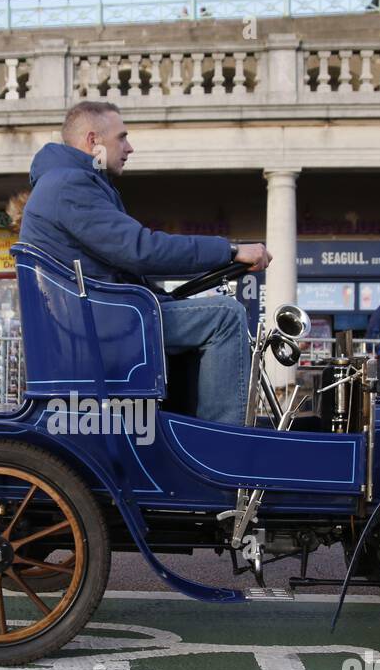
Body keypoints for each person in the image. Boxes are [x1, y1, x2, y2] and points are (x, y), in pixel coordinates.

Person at [18, 101, 270, 426]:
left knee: (203, 311)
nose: (129, 147)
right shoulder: (70, 186)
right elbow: (141, 250)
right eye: (122, 137)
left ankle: (188, 428)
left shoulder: (69, 183)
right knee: (225, 316)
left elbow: (128, 263)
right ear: (93, 140)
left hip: (99, 320)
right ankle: (220, 443)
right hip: (101, 326)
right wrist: (230, 251)